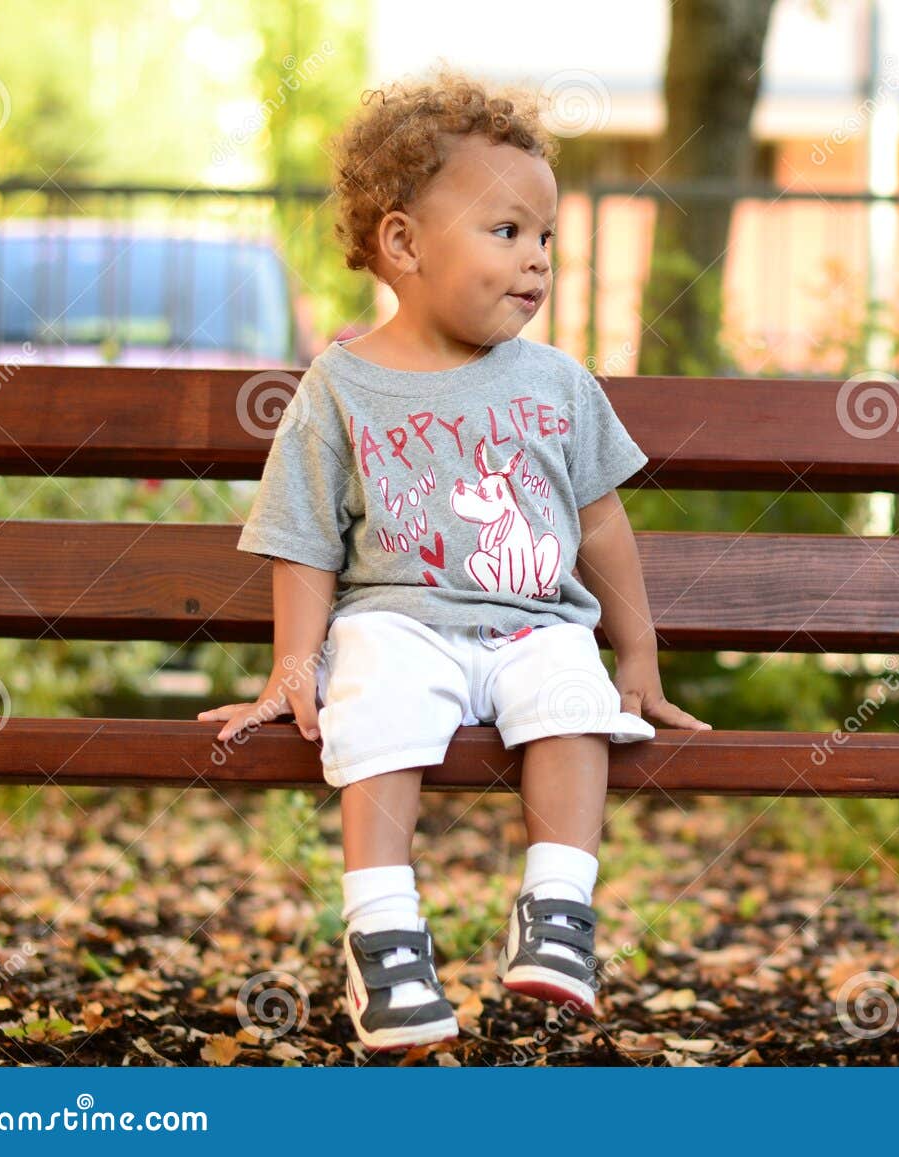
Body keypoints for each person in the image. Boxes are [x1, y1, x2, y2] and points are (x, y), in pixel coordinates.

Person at [197, 66, 710, 1052]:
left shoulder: (557, 383)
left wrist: (637, 654)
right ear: (402, 244)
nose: (537, 260)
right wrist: (294, 663)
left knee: (577, 699)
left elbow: (603, 528)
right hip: (400, 622)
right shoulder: (340, 384)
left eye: (546, 237)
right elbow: (302, 539)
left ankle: (558, 910)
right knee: (373, 699)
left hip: (536, 626)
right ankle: (383, 935)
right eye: (506, 231)